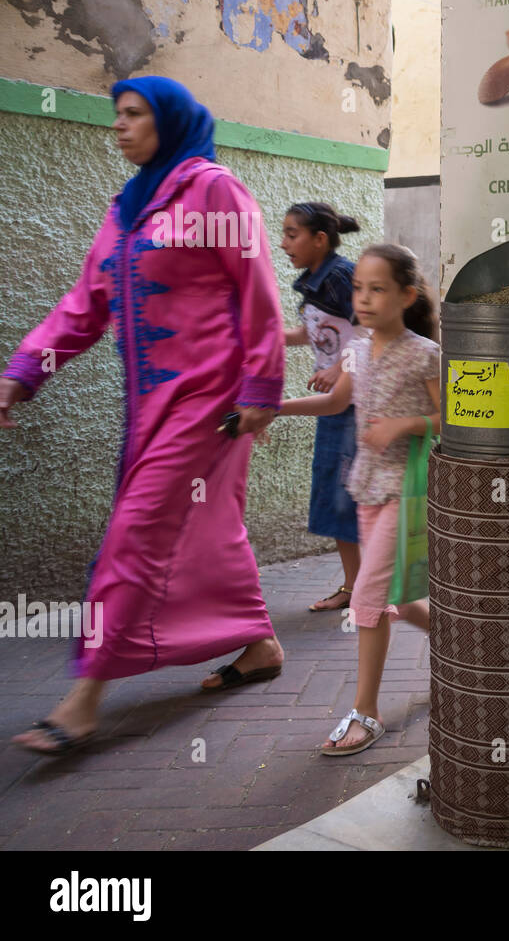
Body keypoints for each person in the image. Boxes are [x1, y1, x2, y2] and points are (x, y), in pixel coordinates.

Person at [1, 76, 286, 756]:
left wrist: (260, 390)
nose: (120, 126)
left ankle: (85, 697)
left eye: (134, 115)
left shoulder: (214, 189)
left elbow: (259, 292)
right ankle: (260, 643)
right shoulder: (128, 209)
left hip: (212, 398)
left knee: (136, 528)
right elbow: (83, 307)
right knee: (208, 526)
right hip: (150, 404)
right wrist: (21, 374)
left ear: (171, 120)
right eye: (116, 115)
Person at [273, 244, 440, 755]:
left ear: (406, 295)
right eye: (359, 288)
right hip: (366, 488)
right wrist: (271, 407)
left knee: (367, 595)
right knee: (394, 598)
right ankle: (463, 643)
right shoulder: (356, 349)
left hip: (407, 491)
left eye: (377, 289)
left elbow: (454, 418)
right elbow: (334, 401)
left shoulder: (424, 354)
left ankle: (364, 712)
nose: (363, 298)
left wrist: (406, 424)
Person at [280, 202, 363, 612]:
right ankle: (355, 587)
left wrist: (341, 368)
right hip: (334, 408)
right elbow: (311, 333)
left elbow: (370, 331)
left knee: (351, 496)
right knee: (337, 496)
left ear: (320, 239)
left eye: (292, 234)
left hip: (357, 405)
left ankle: (369, 588)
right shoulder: (315, 281)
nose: (284, 244)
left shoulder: (343, 277)